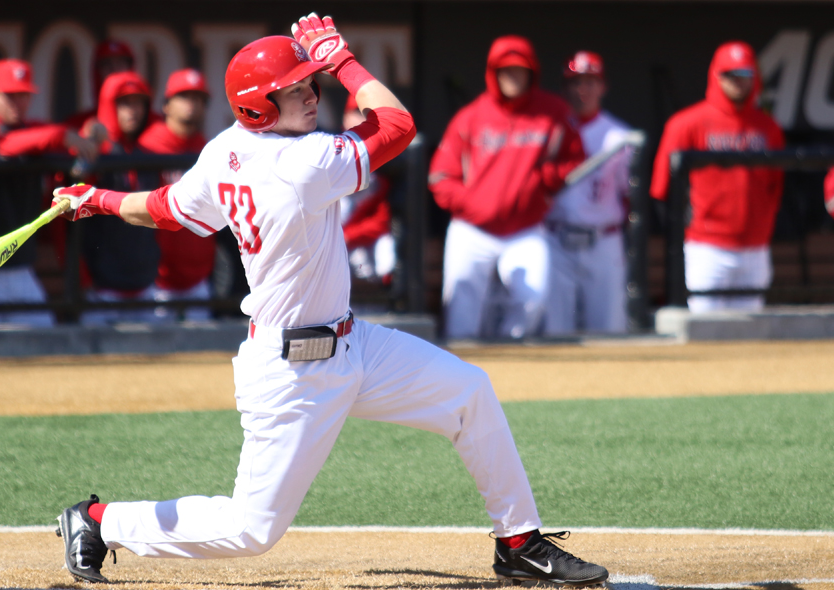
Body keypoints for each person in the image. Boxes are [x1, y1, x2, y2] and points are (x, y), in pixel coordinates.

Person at [50, 14, 609, 588]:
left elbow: (167, 206)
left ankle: (518, 542)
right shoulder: (304, 163)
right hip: (291, 372)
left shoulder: (226, 151)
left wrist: (98, 199)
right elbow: (397, 123)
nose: (312, 95)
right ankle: (98, 521)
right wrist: (343, 60)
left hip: (352, 344)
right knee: (249, 530)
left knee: (470, 392)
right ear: (257, 107)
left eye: (312, 83)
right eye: (294, 91)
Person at [429, 35, 584, 340]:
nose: (513, 76)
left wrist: (548, 179)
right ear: (493, 73)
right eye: (506, 70)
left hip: (525, 228)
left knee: (533, 298)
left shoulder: (553, 111)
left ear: (532, 73)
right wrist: (472, 203)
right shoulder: (470, 117)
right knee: (461, 304)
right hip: (472, 230)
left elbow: (576, 159)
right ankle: (461, 371)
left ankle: (511, 356)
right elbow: (439, 177)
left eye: (520, 70)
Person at [0, 58, 97, 329]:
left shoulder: (37, 131)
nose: (17, 103)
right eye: (9, 96)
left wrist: (88, 136)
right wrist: (60, 135)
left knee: (41, 345)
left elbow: (65, 144)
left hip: (22, 267)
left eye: (23, 96)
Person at [650, 41, 784, 313]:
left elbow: (775, 186)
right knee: (704, 332)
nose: (738, 81)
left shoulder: (768, 127)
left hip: (755, 249)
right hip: (707, 248)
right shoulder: (686, 123)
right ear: (715, 75)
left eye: (745, 74)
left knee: (750, 339)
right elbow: (662, 189)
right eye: (730, 74)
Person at [544, 51, 632, 335]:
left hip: (603, 239)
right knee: (554, 331)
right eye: (576, 82)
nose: (583, 90)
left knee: (609, 330)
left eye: (591, 82)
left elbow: (629, 195)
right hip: (556, 238)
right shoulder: (549, 131)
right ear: (564, 88)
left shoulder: (619, 136)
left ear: (603, 86)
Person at [77, 70, 161, 325]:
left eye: (138, 102)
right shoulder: (94, 152)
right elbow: (71, 198)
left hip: (145, 286)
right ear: (108, 105)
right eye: (124, 103)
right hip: (102, 291)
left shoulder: (148, 153)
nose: (133, 111)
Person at [138, 68, 216, 321]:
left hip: (199, 278)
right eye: (184, 96)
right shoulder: (147, 147)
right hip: (157, 281)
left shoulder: (208, 148)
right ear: (166, 105)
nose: (191, 104)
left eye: (198, 97)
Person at [339, 93, 395, 285]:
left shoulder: (380, 167)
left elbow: (382, 221)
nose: (362, 120)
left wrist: (348, 236)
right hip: (328, 244)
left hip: (359, 247)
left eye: (368, 115)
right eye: (357, 112)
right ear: (345, 117)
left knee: (383, 247)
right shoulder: (328, 154)